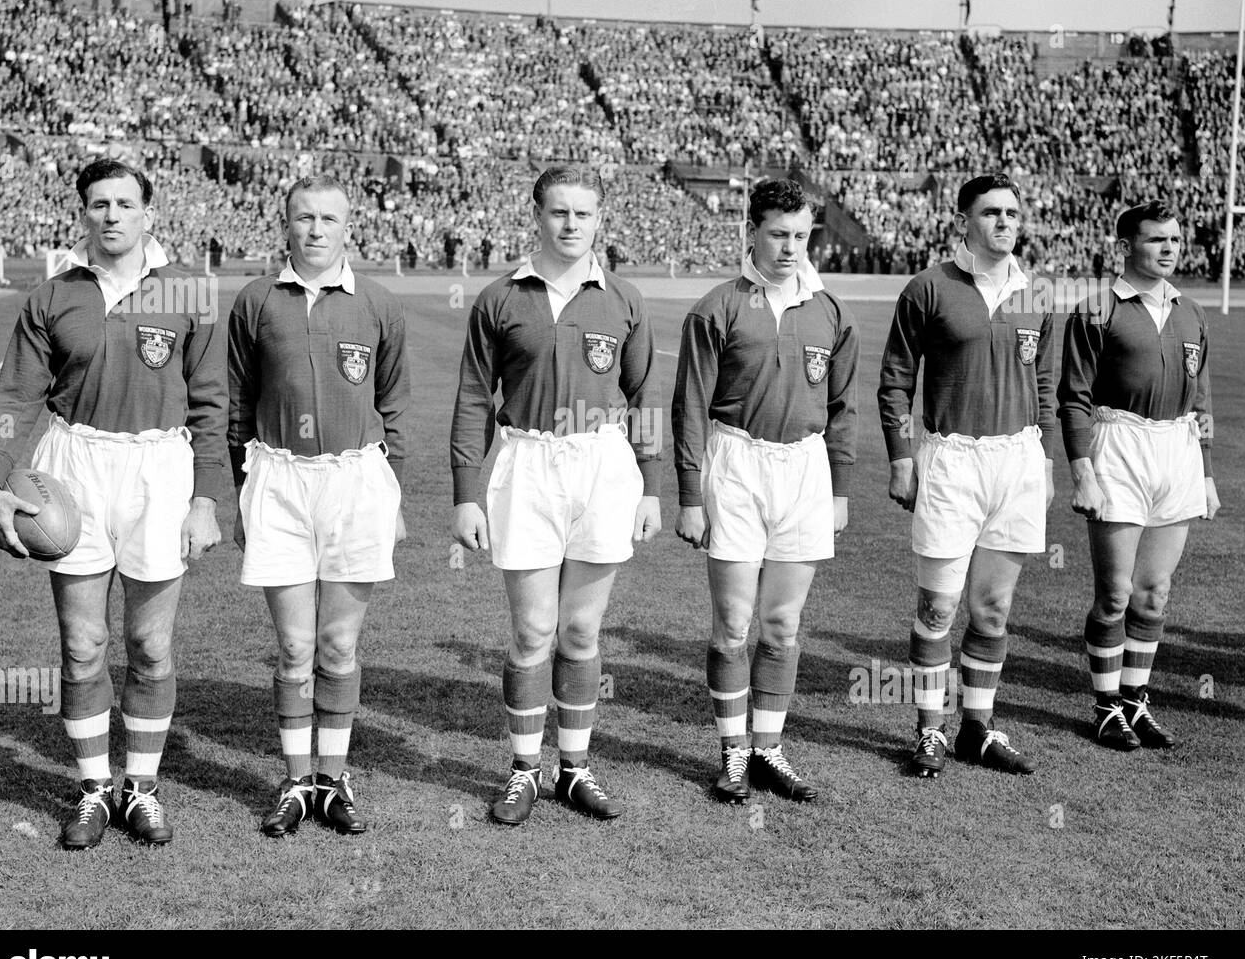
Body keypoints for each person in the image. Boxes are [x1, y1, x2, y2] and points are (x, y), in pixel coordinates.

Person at [0, 158, 226, 848]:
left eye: (124, 202)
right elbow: (13, 399)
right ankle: (92, 790)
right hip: (75, 466)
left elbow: (211, 404)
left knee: (150, 644)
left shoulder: (190, 292)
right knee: (83, 645)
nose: (111, 214)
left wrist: (206, 496)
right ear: (82, 214)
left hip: (160, 468)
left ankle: (140, 788)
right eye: (98, 204)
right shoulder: (54, 296)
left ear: (149, 211)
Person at [451, 165, 662, 826]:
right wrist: (465, 493)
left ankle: (574, 768)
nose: (570, 225)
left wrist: (653, 487)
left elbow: (644, 395)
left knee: (579, 629)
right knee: (532, 630)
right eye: (559, 212)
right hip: (528, 461)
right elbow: (471, 398)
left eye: (584, 214)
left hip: (601, 462)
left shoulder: (622, 299)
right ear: (536, 215)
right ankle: (523, 770)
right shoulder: (499, 299)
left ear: (601, 220)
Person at [227, 173, 408, 838]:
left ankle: (334, 782)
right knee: (295, 646)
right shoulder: (255, 301)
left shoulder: (379, 304)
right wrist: (237, 495)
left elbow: (395, 407)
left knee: (338, 643)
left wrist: (395, 497)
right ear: (286, 223)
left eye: (328, 219)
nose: (315, 230)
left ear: (348, 227)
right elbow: (236, 408)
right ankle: (296, 780)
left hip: (357, 480)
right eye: (304, 217)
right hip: (278, 480)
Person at [672, 178, 858, 805]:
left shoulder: (830, 310)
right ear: (751, 231)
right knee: (732, 623)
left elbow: (843, 406)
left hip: (805, 468)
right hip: (736, 464)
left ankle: (769, 749)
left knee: (781, 624)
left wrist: (842, 489)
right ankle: (732, 752)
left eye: (802, 236)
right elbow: (690, 405)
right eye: (779, 234)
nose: (790, 247)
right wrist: (691, 495)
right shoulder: (719, 306)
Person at [877, 173, 1055, 779]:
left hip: (1019, 459)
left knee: (994, 609)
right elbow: (896, 379)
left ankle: (977, 728)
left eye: (1012, 212)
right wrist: (902, 458)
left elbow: (1046, 386)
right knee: (936, 608)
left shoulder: (1037, 294)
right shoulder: (929, 288)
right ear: (964, 221)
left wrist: (1047, 459)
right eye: (990, 213)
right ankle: (930, 730)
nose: (1004, 222)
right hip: (952, 460)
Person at [1059, 200, 1220, 750]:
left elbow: (1201, 404)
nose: (1169, 248)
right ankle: (1105, 706)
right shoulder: (1096, 310)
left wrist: (1207, 474)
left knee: (1154, 594)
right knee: (1115, 594)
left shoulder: (1192, 312)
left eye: (1174, 240)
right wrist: (1083, 472)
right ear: (1125, 246)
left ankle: (1135, 699)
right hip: (1118, 444)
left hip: (1176, 450)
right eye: (1156, 240)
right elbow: (1073, 399)